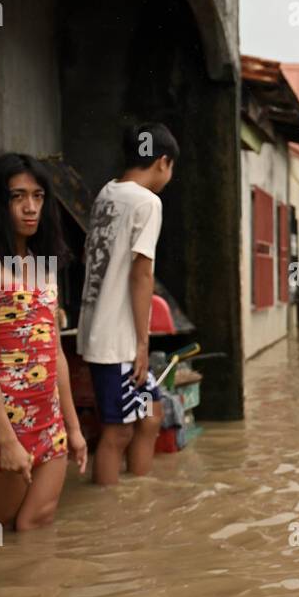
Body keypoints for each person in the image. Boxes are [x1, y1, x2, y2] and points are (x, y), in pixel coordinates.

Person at [0, 153, 88, 531]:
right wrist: (7, 440)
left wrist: (73, 429)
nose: (31, 208)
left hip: (50, 423)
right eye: (17, 197)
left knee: (36, 524)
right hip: (4, 427)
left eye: (38, 196)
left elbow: (56, 354)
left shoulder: (43, 266)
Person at [76, 123, 178, 485]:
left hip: (99, 331)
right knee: (117, 431)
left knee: (150, 414)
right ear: (163, 162)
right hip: (116, 340)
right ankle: (110, 514)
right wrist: (142, 342)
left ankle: (138, 496)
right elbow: (141, 275)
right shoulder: (148, 202)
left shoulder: (109, 192)